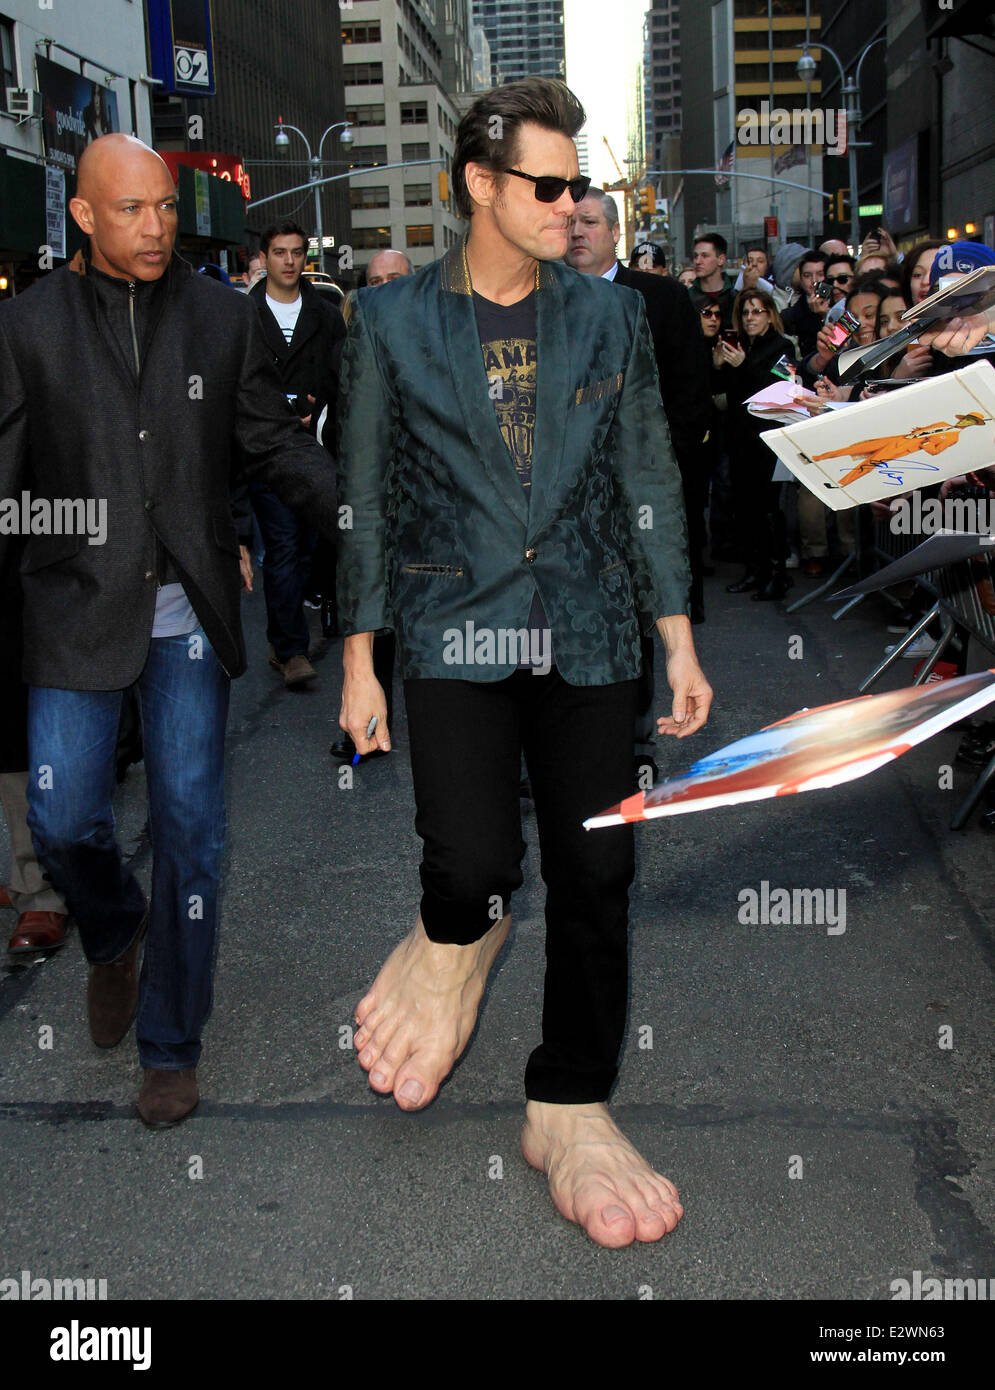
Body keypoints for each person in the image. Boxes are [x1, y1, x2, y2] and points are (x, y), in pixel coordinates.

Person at [336, 77, 712, 1249]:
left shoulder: (606, 315)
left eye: (576, 183)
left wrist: (677, 636)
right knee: (469, 862)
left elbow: (647, 473)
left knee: (598, 872)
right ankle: (462, 929)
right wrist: (359, 662)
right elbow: (364, 502)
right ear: (479, 189)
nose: (569, 204)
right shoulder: (390, 322)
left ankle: (567, 1095)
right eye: (544, 186)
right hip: (453, 626)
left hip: (591, 627)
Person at [0, 134, 340, 1127]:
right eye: (132, 209)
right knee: (62, 820)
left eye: (163, 206)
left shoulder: (219, 318)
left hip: (186, 608)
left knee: (193, 826)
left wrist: (357, 516)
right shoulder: (26, 328)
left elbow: (272, 440)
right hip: (72, 608)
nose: (156, 227)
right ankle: (114, 933)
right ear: (83, 216)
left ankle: (170, 1040)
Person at [248, 219, 345, 688]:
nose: (288, 261)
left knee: (308, 546)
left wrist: (318, 411)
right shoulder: (243, 315)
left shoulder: (325, 313)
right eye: (279, 252)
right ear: (264, 258)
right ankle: (290, 650)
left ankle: (287, 635)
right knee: (284, 544)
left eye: (295, 252)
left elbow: (342, 373)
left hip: (314, 447)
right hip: (265, 448)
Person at [718, 289, 798, 600]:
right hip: (740, 439)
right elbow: (729, 391)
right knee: (745, 508)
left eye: (756, 311)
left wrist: (743, 365)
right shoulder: (740, 346)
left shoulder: (783, 346)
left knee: (768, 508)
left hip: (768, 440)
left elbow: (781, 388)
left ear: (769, 314)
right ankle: (755, 570)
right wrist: (721, 365)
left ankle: (777, 574)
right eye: (746, 312)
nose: (750, 318)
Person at [688, 232, 739, 327]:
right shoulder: (687, 297)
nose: (698, 261)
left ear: (721, 259)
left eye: (705, 256)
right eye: (696, 256)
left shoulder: (735, 298)